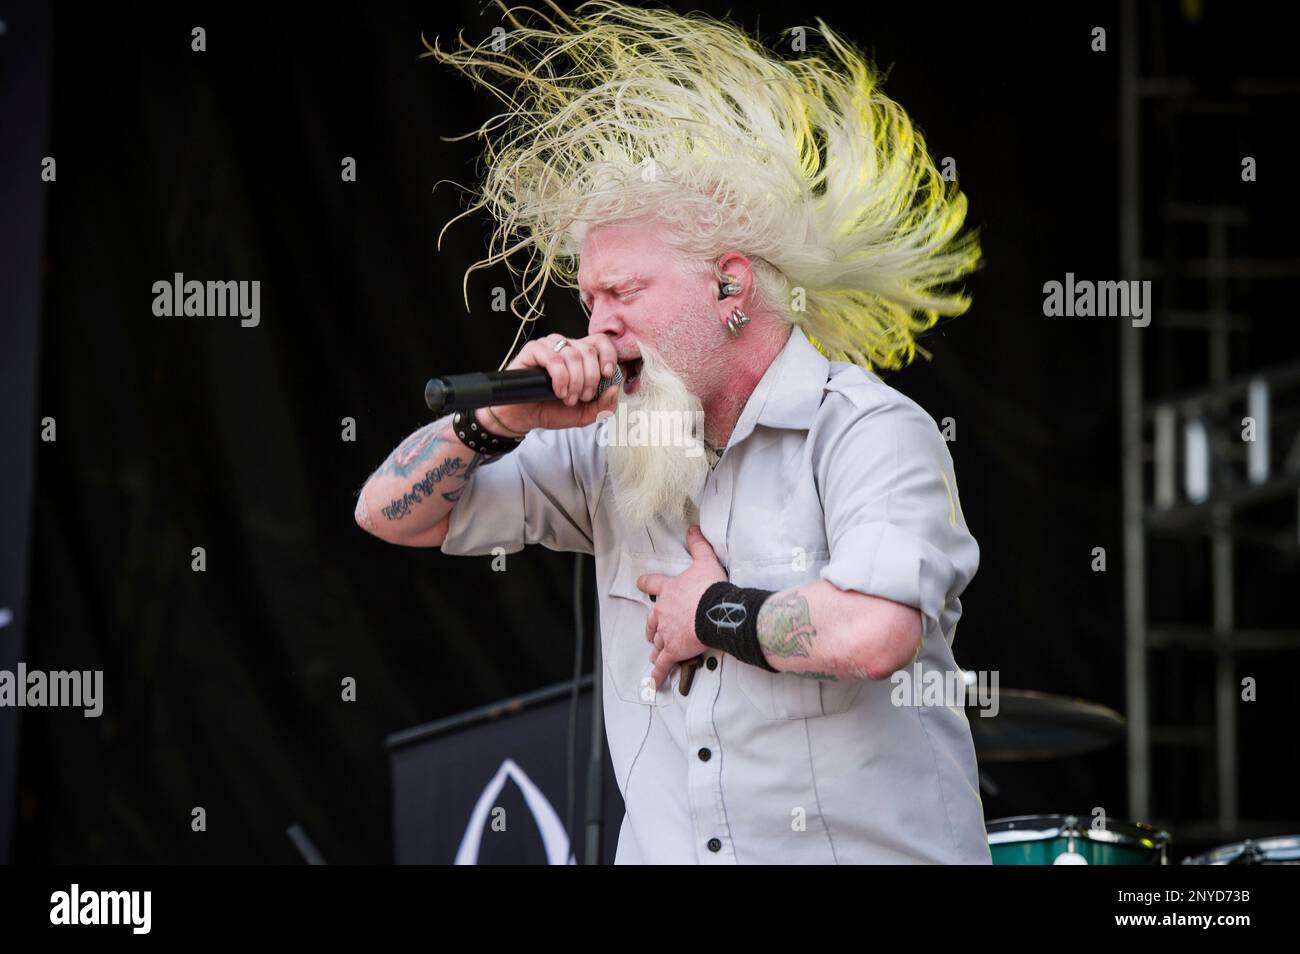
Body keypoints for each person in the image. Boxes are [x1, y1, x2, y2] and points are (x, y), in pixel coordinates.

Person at [356, 1, 988, 863]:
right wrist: (493, 421)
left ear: (730, 287)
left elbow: (876, 635)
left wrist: (713, 613)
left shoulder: (868, 431)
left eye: (625, 293)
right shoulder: (618, 443)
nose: (598, 324)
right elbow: (389, 514)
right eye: (590, 300)